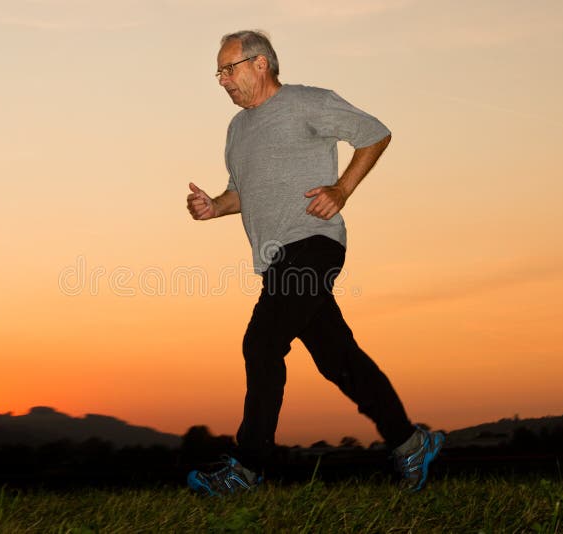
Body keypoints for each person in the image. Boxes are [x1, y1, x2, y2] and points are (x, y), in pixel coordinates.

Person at [186, 30, 443, 495]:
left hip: (313, 244)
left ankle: (245, 469)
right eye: (218, 73)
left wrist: (342, 189)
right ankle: (411, 444)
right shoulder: (237, 130)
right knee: (338, 359)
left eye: (229, 69)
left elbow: (374, 134)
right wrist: (214, 207)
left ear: (260, 64)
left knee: (262, 344)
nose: (222, 81)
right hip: (274, 258)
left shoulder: (308, 102)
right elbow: (241, 193)